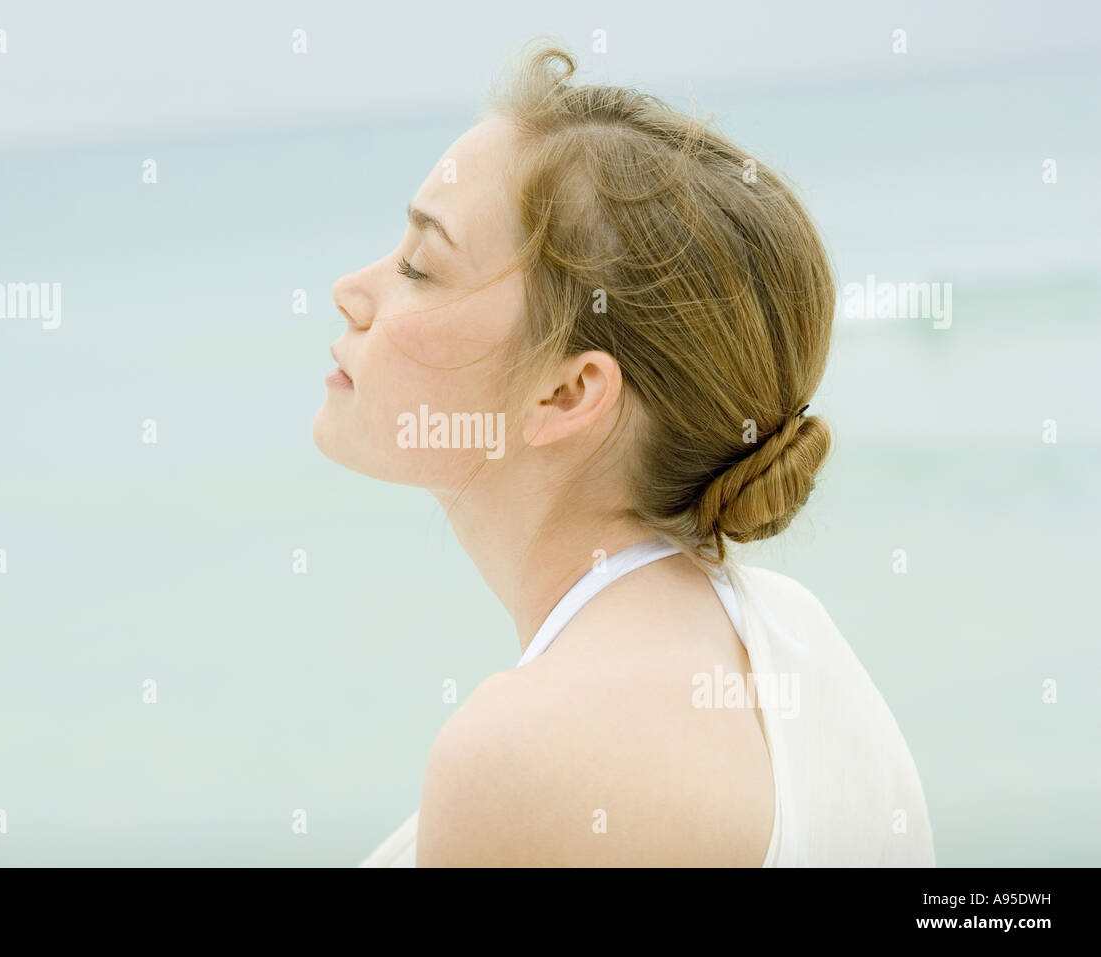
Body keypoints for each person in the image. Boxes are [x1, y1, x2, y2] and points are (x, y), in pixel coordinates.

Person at [313, 40, 934, 867]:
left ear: (568, 393)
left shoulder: (521, 755)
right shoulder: (788, 635)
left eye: (421, 266)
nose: (352, 290)